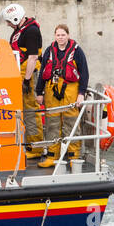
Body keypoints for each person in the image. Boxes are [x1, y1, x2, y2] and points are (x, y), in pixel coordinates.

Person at [33, 24, 90, 168]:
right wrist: (39, 92)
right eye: (58, 35)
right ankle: (52, 157)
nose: (60, 38)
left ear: (68, 35)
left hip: (70, 91)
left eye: (63, 35)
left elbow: (84, 74)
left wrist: (81, 94)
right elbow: (42, 73)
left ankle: (73, 157)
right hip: (52, 91)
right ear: (55, 36)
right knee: (52, 125)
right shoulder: (49, 50)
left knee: (71, 124)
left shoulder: (77, 51)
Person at [2, 3, 44, 157]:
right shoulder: (20, 30)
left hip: (28, 74)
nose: (7, 24)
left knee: (31, 111)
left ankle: (36, 147)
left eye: (8, 21)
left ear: (15, 18)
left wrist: (26, 81)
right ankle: (30, 143)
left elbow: (33, 57)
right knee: (25, 111)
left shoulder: (31, 31)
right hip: (21, 73)